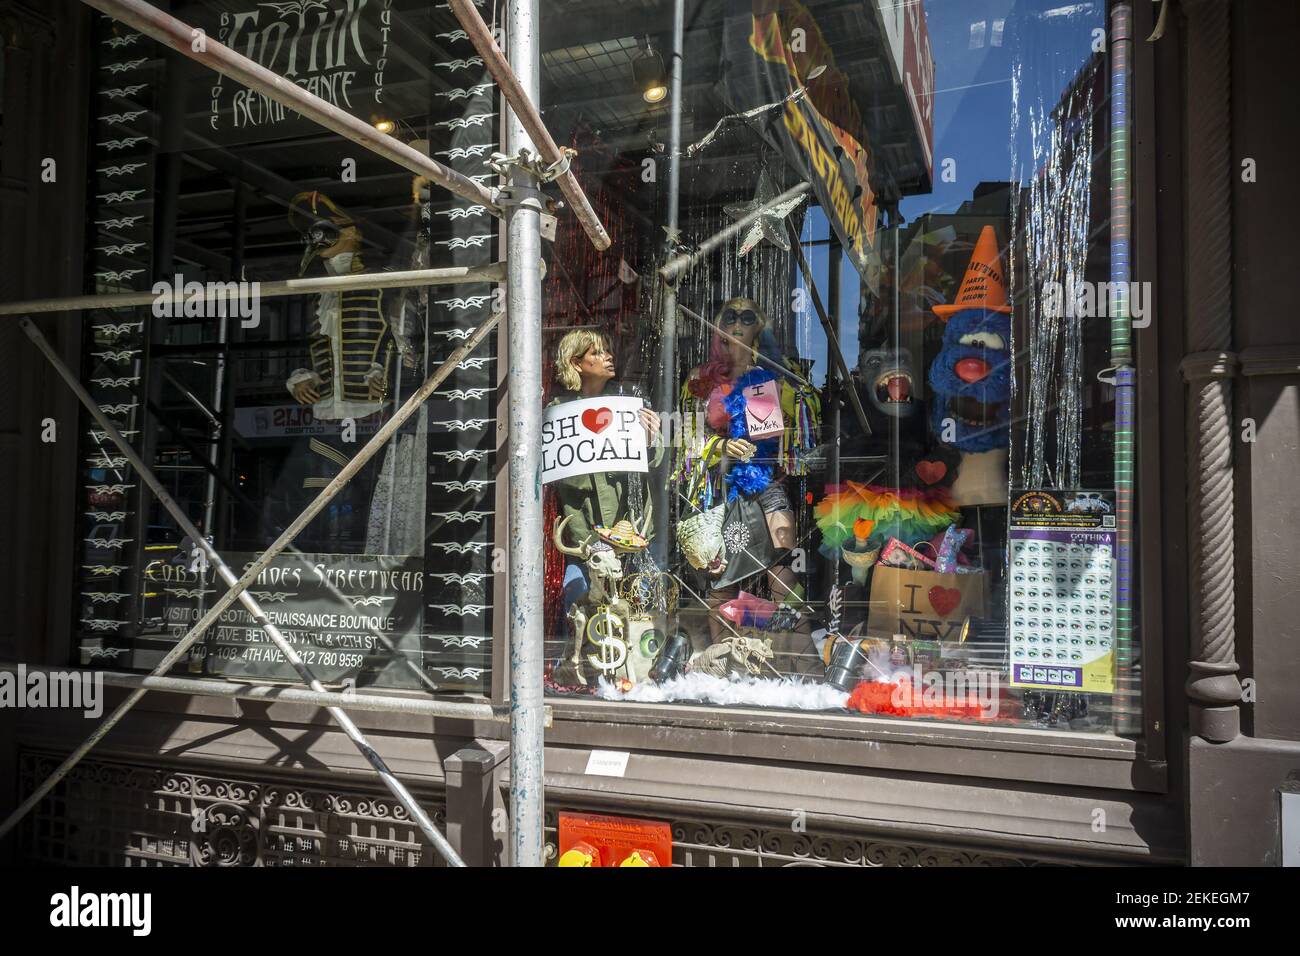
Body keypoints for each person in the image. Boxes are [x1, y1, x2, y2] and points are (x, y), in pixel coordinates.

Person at [549, 329, 662, 612]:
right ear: (576, 364)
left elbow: (657, 462)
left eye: (608, 351)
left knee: (636, 617)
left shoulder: (630, 403)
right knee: (579, 613)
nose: (609, 357)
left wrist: (651, 438)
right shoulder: (558, 411)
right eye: (597, 353)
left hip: (633, 541)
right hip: (584, 545)